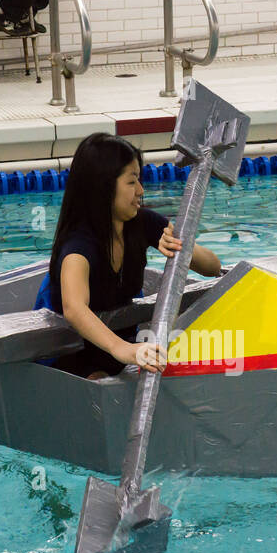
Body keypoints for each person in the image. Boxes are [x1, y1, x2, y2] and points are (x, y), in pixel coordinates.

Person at [36, 133, 224, 379]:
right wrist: (122, 349)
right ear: (103, 186)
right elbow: (74, 308)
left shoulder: (141, 222)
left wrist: (183, 246)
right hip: (72, 354)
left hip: (126, 345)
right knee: (100, 381)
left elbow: (212, 267)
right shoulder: (78, 245)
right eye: (131, 182)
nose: (141, 190)